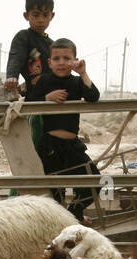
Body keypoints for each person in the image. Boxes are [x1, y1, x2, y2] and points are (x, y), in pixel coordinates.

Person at [25, 38, 101, 222]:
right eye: (56, 59)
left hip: (72, 145)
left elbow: (93, 96)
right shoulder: (44, 82)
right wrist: (46, 98)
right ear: (49, 62)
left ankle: (75, 211)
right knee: (55, 191)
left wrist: (83, 73)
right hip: (50, 146)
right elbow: (28, 105)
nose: (61, 63)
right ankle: (60, 223)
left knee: (94, 181)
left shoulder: (76, 83)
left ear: (74, 60)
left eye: (67, 58)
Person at [4, 0, 55, 152]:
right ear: (26, 16)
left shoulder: (53, 45)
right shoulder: (24, 37)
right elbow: (16, 56)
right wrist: (12, 76)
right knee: (37, 131)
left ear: (52, 16)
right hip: (36, 98)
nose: (41, 19)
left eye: (45, 15)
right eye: (36, 15)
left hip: (55, 98)